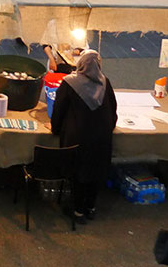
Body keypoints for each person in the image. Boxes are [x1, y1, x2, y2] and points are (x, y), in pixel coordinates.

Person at [49, 49, 117, 224]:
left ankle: (78, 211)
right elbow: (114, 111)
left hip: (77, 139)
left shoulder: (70, 83)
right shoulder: (105, 83)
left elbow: (58, 110)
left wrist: (55, 129)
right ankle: (91, 207)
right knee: (95, 172)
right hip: (102, 140)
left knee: (78, 173)